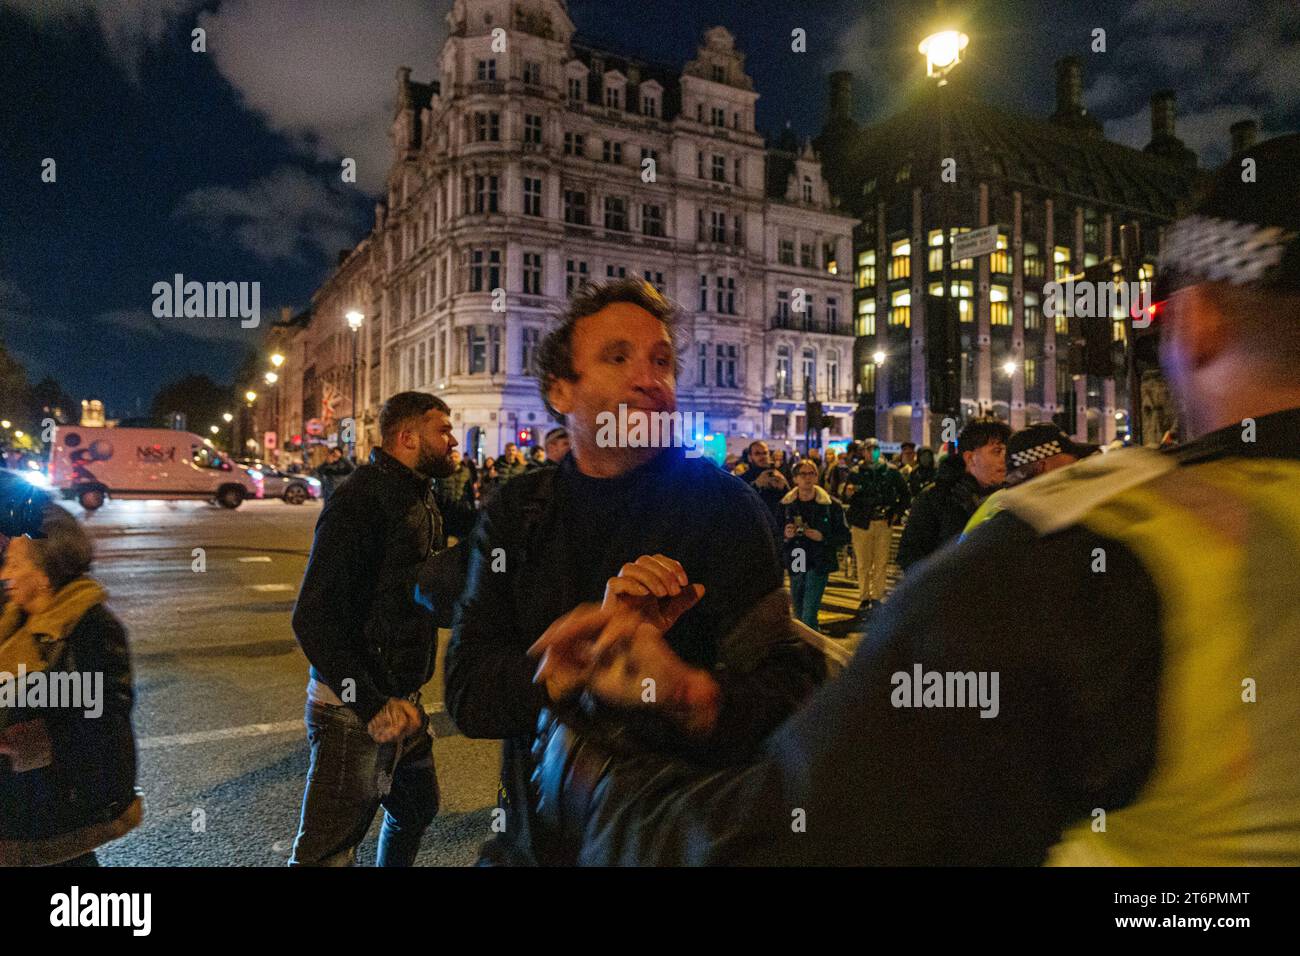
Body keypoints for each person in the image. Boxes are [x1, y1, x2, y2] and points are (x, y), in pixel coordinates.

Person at [523, 132, 1300, 866]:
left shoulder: (1104, 549)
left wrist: (588, 771)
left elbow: (789, 841)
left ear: (1197, 323)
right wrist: (702, 701)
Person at [445, 278, 823, 866]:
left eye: (663, 361)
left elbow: (795, 689)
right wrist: (555, 674)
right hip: (533, 844)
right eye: (617, 357)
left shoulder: (722, 507)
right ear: (561, 391)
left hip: (671, 843)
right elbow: (466, 692)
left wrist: (686, 692)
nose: (650, 378)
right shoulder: (520, 510)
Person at [288, 391, 458, 867]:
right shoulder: (361, 501)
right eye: (442, 431)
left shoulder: (418, 491)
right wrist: (369, 703)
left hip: (401, 700)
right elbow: (311, 617)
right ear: (407, 437)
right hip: (355, 710)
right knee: (326, 854)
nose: (453, 441)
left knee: (416, 807)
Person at [0, 506, 141, 866]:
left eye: (15, 564)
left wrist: (20, 719)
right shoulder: (14, 618)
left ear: (45, 574)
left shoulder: (90, 626)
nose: (5, 574)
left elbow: (99, 707)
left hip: (58, 803)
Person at [895, 418, 1009, 572]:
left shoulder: (1010, 496)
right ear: (970, 458)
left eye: (1007, 451)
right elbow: (910, 557)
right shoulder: (935, 498)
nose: (1005, 458)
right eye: (997, 451)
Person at [962, 423, 1098, 538]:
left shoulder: (1003, 502)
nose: (1076, 468)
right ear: (1042, 467)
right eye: (1071, 465)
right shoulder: (1018, 517)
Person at [842, 438, 911, 615]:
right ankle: (864, 597)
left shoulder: (890, 471)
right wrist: (850, 493)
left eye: (875, 449)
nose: (872, 452)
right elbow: (846, 496)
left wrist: (895, 512)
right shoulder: (856, 472)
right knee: (864, 563)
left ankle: (877, 596)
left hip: (882, 521)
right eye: (868, 449)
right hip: (862, 522)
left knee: (880, 562)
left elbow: (905, 495)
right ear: (863, 452)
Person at [780, 460, 850, 632]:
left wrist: (823, 537)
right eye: (803, 474)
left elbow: (844, 535)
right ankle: (804, 647)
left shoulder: (830, 505)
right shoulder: (786, 505)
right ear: (795, 478)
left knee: (808, 614)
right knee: (798, 611)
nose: (807, 478)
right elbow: (775, 532)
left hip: (818, 560)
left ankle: (810, 651)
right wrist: (786, 535)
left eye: (811, 473)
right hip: (797, 557)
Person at [738, 441, 790, 537]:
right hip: (753, 530)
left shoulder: (777, 475)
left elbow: (788, 501)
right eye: (757, 453)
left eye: (765, 453)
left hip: (776, 529)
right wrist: (756, 485)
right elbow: (739, 503)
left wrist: (784, 486)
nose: (762, 456)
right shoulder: (742, 479)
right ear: (750, 457)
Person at [434, 449, 477, 541]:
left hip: (461, 507)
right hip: (446, 507)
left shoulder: (466, 471)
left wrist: (472, 506)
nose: (453, 459)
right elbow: (437, 489)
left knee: (462, 534)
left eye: (456, 457)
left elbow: (470, 489)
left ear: (460, 458)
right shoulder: (441, 471)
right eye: (451, 457)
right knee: (444, 533)